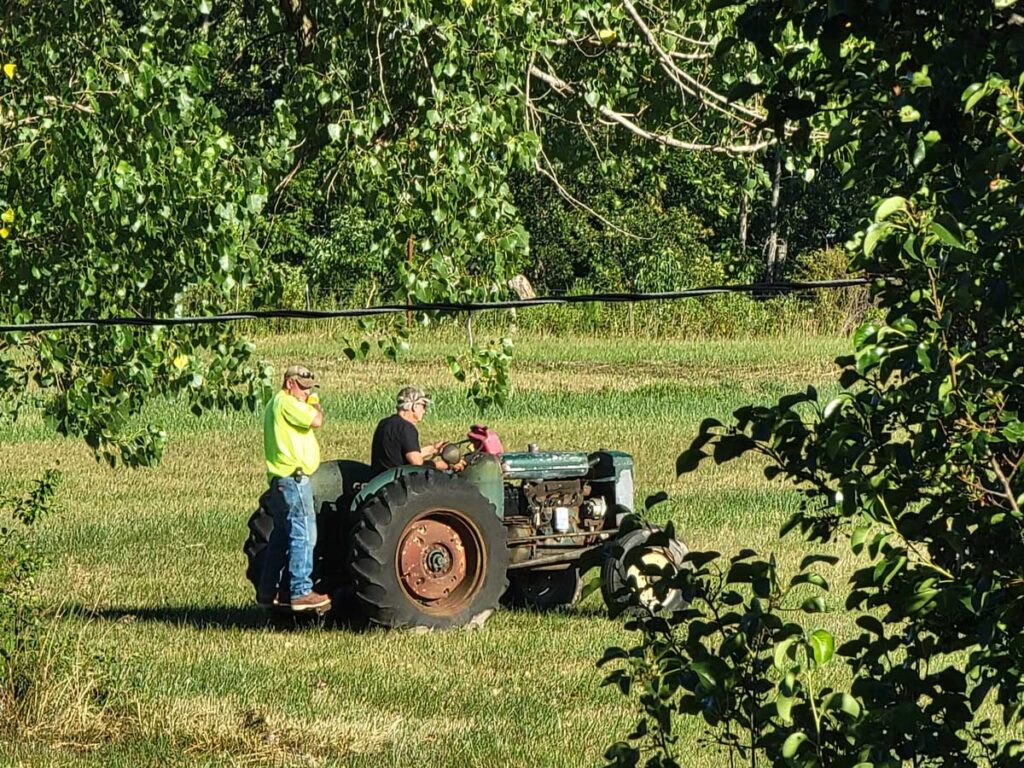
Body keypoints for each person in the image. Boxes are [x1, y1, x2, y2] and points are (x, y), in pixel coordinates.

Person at [258, 364, 330, 612]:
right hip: (294, 479)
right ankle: (300, 591)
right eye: (302, 388)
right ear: (289, 383)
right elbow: (317, 419)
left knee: (281, 536)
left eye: (309, 389)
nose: (305, 393)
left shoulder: (277, 404)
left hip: (280, 480)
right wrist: (315, 401)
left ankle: (268, 591)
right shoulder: (287, 404)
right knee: (304, 534)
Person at [370, 386, 458, 475]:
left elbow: (405, 453)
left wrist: (433, 449)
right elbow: (417, 464)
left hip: (380, 479)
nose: (424, 411)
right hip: (398, 482)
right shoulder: (406, 428)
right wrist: (444, 465)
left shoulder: (384, 423)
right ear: (414, 406)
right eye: (423, 406)